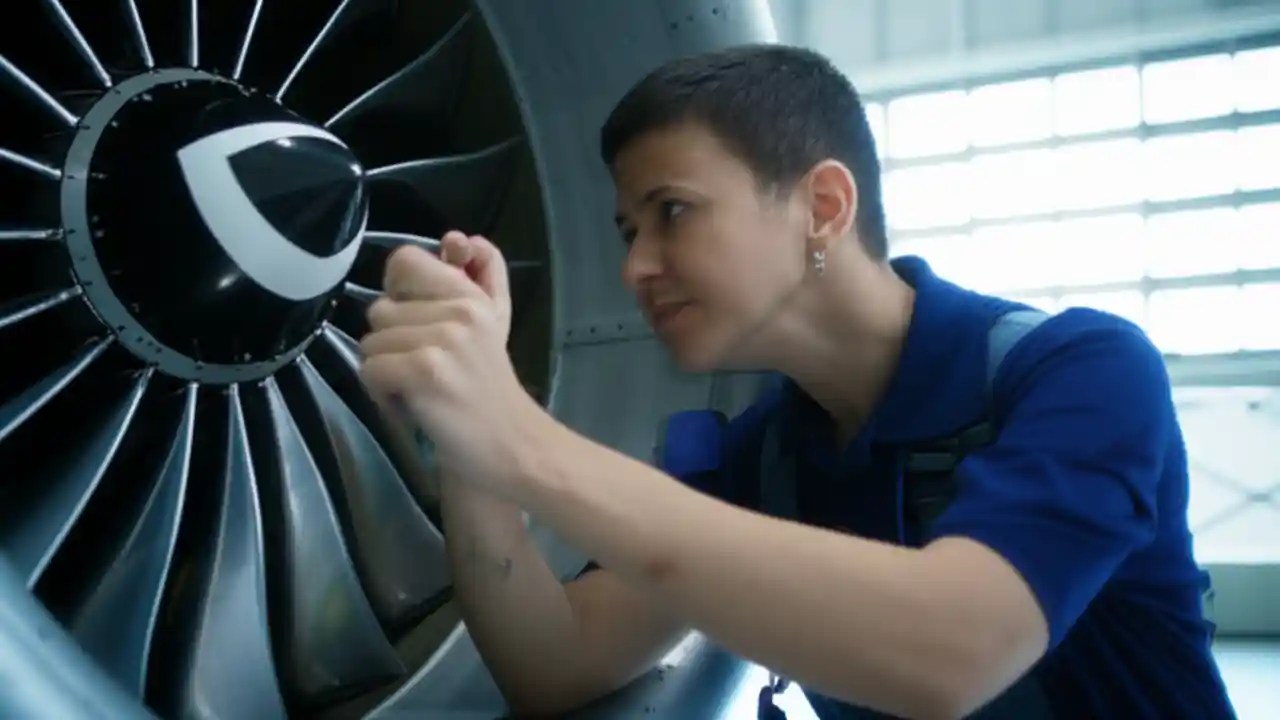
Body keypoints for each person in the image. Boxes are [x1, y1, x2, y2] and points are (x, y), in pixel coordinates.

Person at [358, 44, 1236, 719]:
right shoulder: (764, 459)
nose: (634, 268)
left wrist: (519, 435)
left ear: (823, 206)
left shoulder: (1084, 371)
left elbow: (954, 651)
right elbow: (553, 664)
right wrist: (469, 445)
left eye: (672, 212)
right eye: (630, 231)